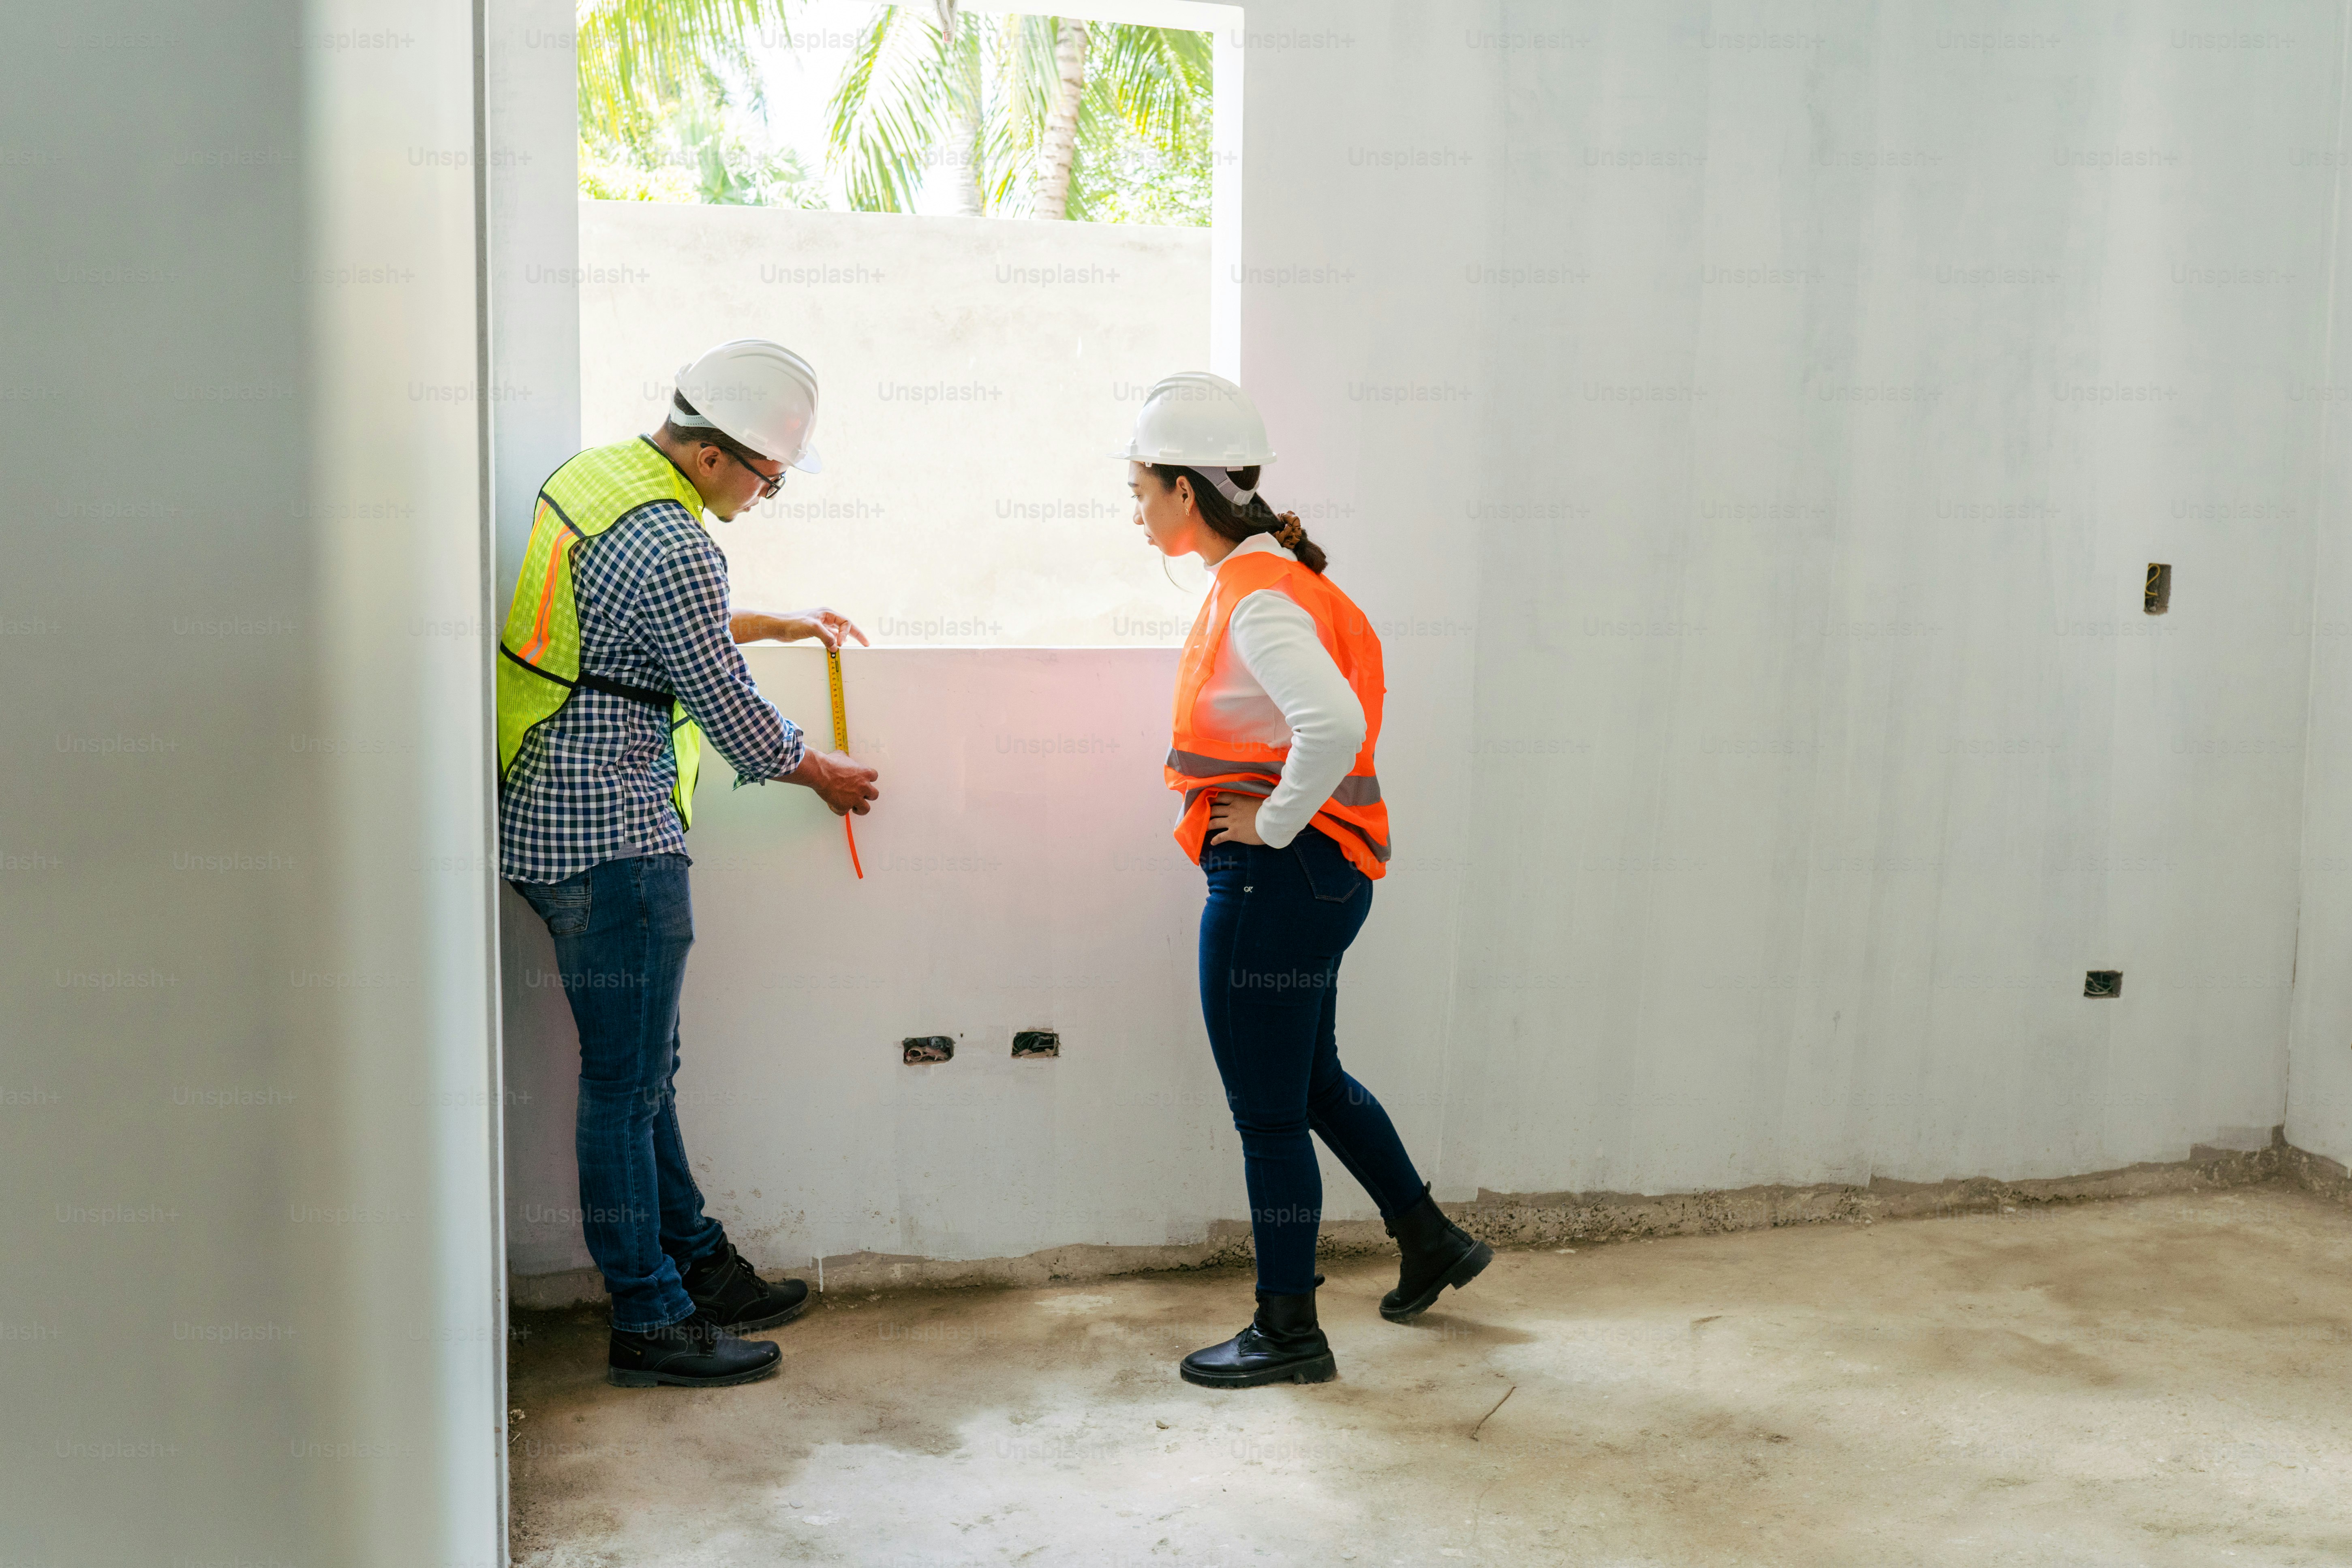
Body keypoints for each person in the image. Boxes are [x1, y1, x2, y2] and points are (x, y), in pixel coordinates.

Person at [496, 338, 880, 1389]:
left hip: (545, 808)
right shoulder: (677, 542)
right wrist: (824, 773)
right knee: (625, 1084)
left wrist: (780, 618)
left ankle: (699, 1262)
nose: (769, 492)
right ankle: (651, 1317)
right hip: (612, 838)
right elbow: (729, 712)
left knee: (643, 1070)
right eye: (768, 474)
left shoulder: (592, 478)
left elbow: (637, 633)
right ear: (713, 454)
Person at [1118, 372, 1492, 1388]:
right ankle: (1431, 1242)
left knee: (1270, 1115)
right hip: (1326, 881)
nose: (1137, 509)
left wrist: (1273, 823)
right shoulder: (1288, 583)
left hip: (1271, 885)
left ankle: (1289, 1330)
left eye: (1142, 489)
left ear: (1186, 493)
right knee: (1312, 1084)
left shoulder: (1256, 601)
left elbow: (1332, 726)